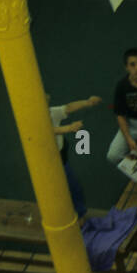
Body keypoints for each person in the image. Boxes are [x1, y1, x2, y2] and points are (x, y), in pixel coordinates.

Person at [47, 91, 102, 221]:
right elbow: (46, 129)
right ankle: (60, 217)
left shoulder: (49, 112)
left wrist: (87, 102)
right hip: (47, 161)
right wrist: (69, 128)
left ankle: (80, 215)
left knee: (73, 187)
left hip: (60, 157)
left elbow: (68, 107)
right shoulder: (33, 119)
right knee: (56, 192)